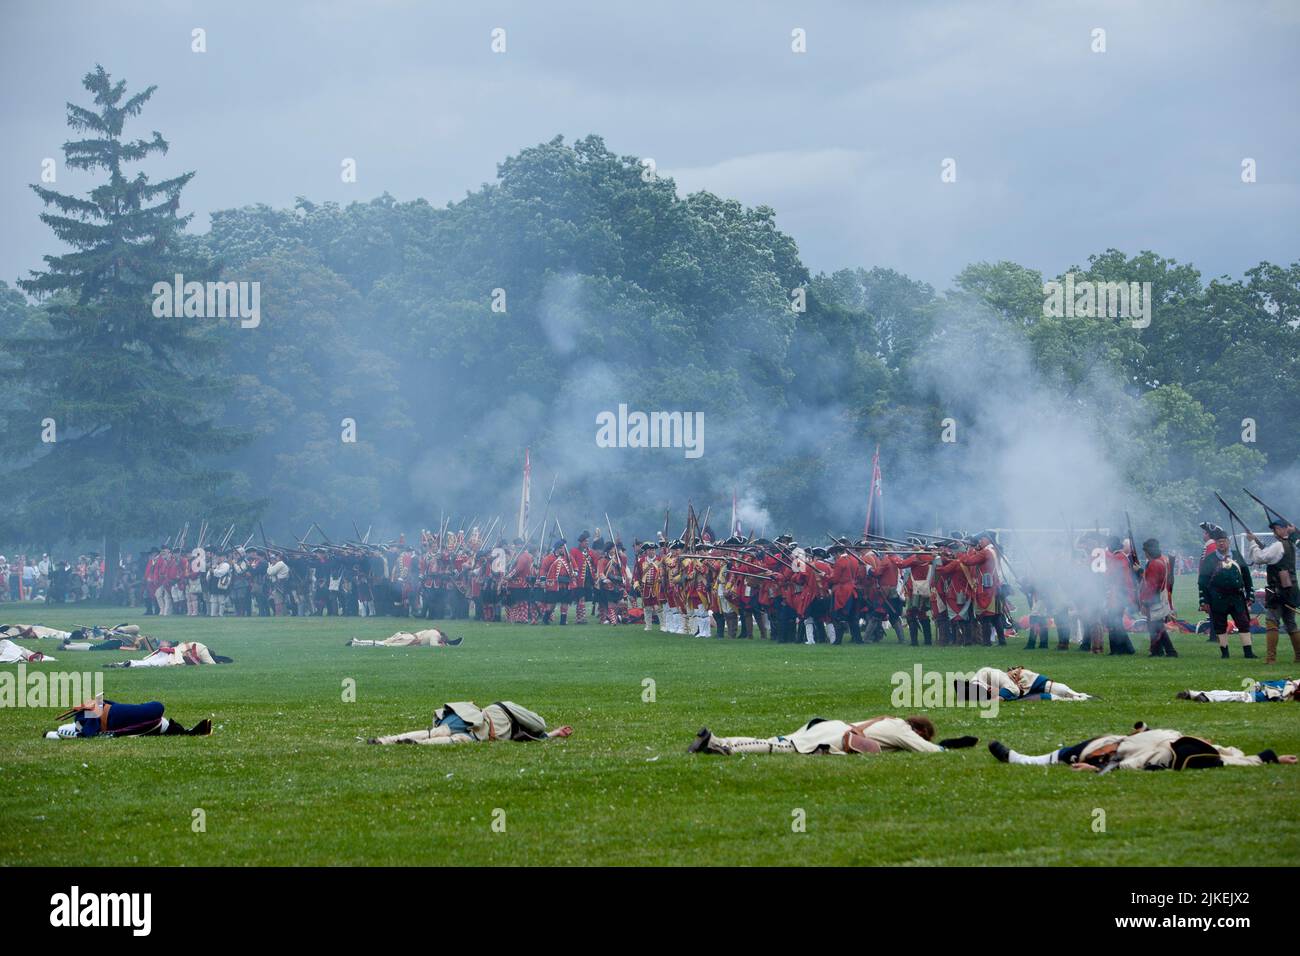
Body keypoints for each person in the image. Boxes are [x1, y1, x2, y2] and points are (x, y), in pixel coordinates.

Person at [988, 722, 1296, 771]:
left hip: (1117, 749)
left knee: (1089, 749)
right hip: (1127, 740)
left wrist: (1096, 767)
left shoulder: (1165, 757)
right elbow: (1230, 754)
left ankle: (1024, 760)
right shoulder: (1192, 744)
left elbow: (1132, 765)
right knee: (1102, 741)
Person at [687, 714, 976, 755]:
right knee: (781, 748)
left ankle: (719, 741)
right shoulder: (903, 729)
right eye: (925, 735)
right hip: (839, 735)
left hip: (832, 726)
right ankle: (720, 746)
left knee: (779, 742)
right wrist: (947, 747)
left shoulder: (889, 719)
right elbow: (928, 751)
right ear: (922, 730)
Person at [364, 699, 573, 745]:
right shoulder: (507, 710)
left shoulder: (514, 731)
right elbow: (538, 728)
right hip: (476, 721)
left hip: (472, 723)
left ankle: (387, 740)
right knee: (444, 736)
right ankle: (396, 741)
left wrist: (554, 734)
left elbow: (539, 735)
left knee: (440, 735)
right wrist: (548, 732)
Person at [1243, 517, 1300, 664]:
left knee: (1271, 622)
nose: (1274, 531)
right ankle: (1299, 656)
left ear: (1284, 529)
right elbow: (1269, 555)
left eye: (1277, 528)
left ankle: (1271, 658)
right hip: (1290, 589)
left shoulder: (1278, 545)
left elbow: (1260, 558)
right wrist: (1256, 542)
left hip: (1278, 590)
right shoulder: (1290, 544)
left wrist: (1252, 542)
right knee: (1290, 623)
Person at [1198, 526, 1256, 659]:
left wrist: (1250, 595)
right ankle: (1225, 653)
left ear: (1228, 542)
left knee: (1243, 623)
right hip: (1218, 597)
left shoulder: (1236, 555)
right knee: (1220, 625)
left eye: (1223, 541)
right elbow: (1202, 582)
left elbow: (1246, 577)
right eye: (1219, 541)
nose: (1221, 543)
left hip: (1237, 597)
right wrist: (1204, 600)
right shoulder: (1210, 559)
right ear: (1215, 543)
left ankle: (1248, 653)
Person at [45, 696, 212, 739]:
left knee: (158, 721)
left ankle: (185, 732)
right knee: (157, 708)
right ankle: (185, 732)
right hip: (106, 716)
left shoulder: (82, 720)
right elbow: (88, 731)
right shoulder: (82, 720)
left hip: (107, 714)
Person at [956, 665, 1091, 701]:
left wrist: (1000, 697)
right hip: (1021, 694)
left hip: (1023, 681)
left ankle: (1077, 695)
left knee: (1055, 689)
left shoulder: (988, 673)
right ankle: (1074, 700)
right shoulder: (979, 685)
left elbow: (1012, 689)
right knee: (1045, 698)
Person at [1137, 538, 1177, 657]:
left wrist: (1145, 601)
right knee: (1154, 626)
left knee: (1157, 626)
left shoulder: (1154, 563)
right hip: (1161, 595)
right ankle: (1156, 650)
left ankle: (1170, 651)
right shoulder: (1163, 559)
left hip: (1155, 598)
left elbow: (1151, 585)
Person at [102, 641, 232, 667]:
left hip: (166, 652)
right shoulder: (202, 648)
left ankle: (121, 663)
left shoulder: (192, 643)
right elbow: (211, 664)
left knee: (147, 662)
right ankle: (128, 664)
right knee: (150, 665)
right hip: (172, 657)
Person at [1176, 678, 1298, 703]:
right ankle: (1201, 695)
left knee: (1238, 695)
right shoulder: (1286, 683)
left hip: (1270, 693)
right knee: (1236, 695)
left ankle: (1200, 695)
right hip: (1273, 690)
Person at [346, 628, 462, 647]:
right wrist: (442, 645)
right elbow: (433, 645)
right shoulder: (435, 635)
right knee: (383, 644)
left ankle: (357, 641)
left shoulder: (431, 630)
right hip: (408, 639)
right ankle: (355, 643)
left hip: (406, 635)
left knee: (381, 642)